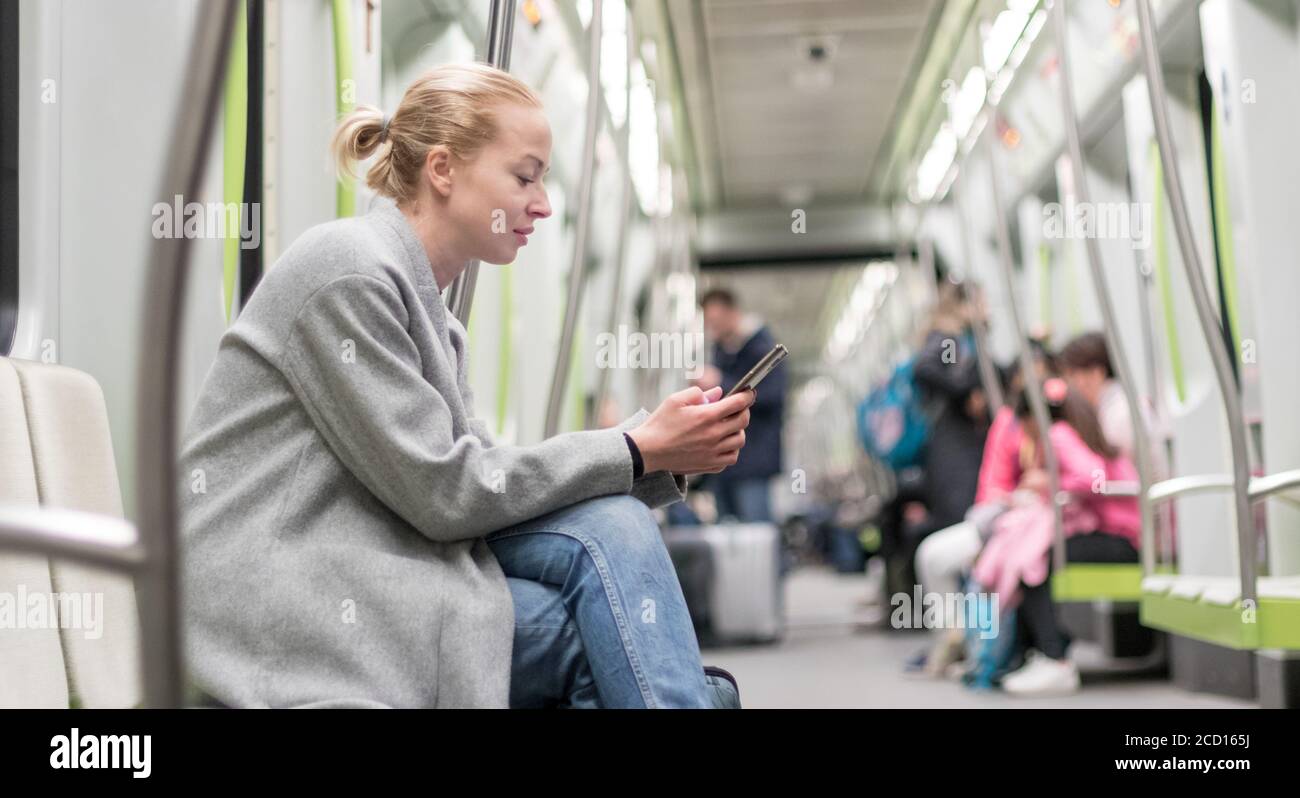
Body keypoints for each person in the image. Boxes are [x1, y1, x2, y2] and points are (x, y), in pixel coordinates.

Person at [179, 63, 753, 709]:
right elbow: (447, 494)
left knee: (615, 527)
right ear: (444, 170)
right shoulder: (349, 272)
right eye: (524, 176)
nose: (542, 203)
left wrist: (651, 453)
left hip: (377, 565)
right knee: (594, 637)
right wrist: (636, 448)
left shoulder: (436, 319)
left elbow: (483, 488)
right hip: (286, 595)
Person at [972, 378, 1140, 696]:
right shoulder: (1078, 431)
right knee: (1034, 560)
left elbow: (1093, 478)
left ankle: (1055, 657)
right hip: (1121, 534)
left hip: (1119, 538)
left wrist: (1049, 482)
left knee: (1033, 563)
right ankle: (1045, 650)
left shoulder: (1058, 435)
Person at [693, 288, 788, 524]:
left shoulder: (761, 348)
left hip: (753, 461)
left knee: (757, 535)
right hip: (725, 462)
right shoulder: (721, 351)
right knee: (731, 539)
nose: (712, 328)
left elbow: (772, 395)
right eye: (709, 322)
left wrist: (720, 382)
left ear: (733, 313)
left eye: (716, 321)